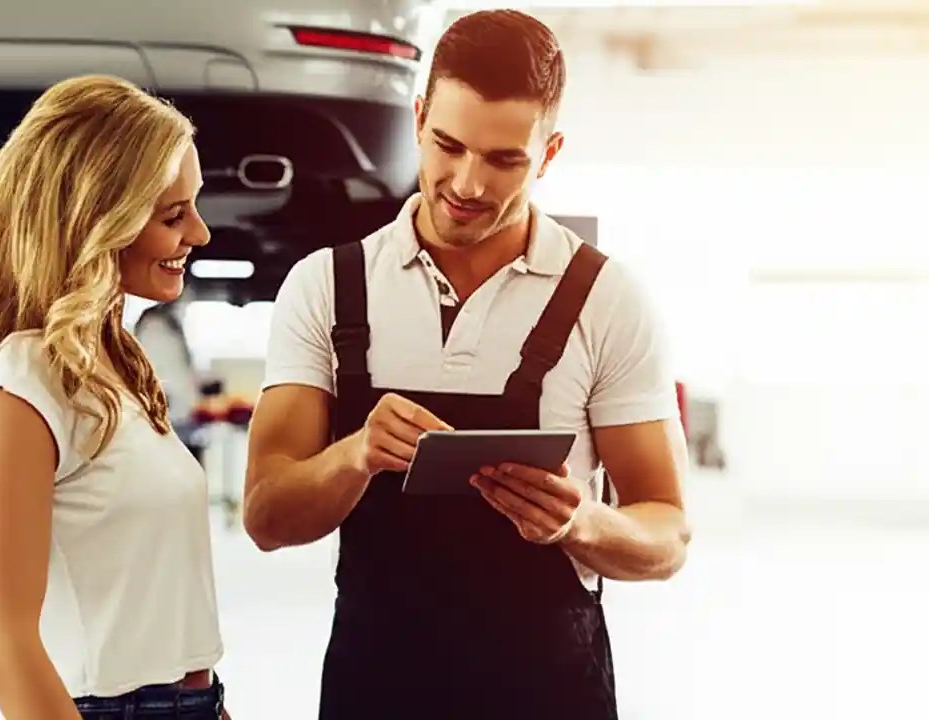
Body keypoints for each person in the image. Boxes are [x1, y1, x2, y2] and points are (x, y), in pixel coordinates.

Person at [243, 10, 691, 719]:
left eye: (504, 160)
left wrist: (582, 523)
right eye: (448, 146)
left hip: (551, 695)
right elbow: (267, 516)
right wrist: (355, 455)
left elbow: (668, 536)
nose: (468, 184)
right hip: (375, 693)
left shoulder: (607, 299)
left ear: (549, 153)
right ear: (419, 118)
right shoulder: (327, 286)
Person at [0, 75, 230, 719]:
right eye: (173, 215)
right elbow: (3, 647)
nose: (201, 233)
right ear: (96, 220)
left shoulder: (117, 367)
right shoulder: (21, 383)